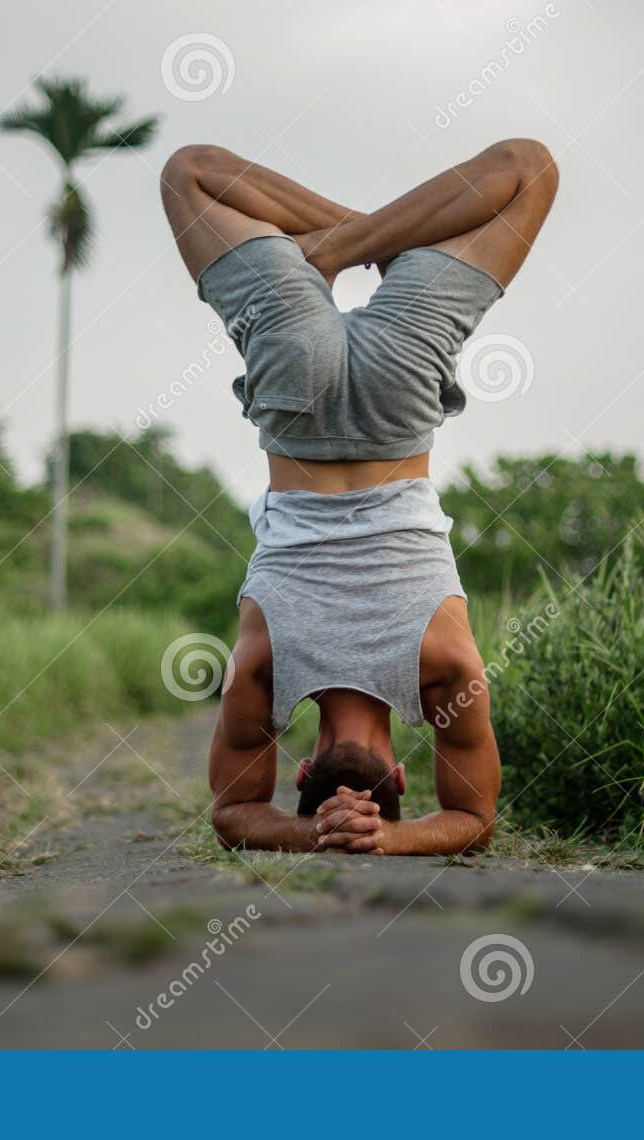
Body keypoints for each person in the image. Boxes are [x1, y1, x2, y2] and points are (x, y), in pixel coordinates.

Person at [158, 138, 558, 855]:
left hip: (335, 392)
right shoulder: (410, 672)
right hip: (378, 394)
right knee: (528, 167)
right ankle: (352, 243)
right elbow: (475, 820)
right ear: (400, 782)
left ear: (308, 771)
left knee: (193, 172)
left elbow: (233, 813)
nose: (349, 804)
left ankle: (350, 243)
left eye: (323, 799)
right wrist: (373, 842)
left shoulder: (432, 672)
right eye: (371, 809)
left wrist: (323, 837)